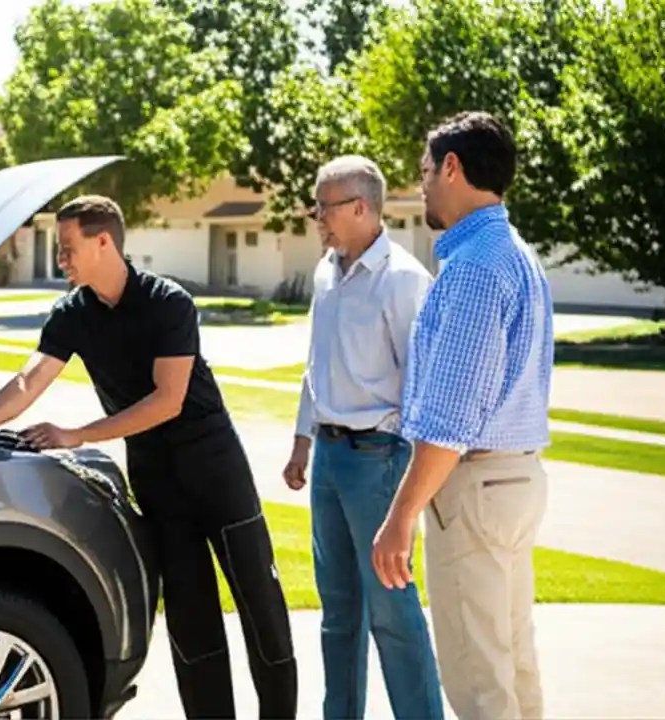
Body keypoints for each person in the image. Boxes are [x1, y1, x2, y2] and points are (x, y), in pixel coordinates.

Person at [0, 195, 299, 719]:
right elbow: (29, 379)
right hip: (157, 479)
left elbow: (167, 400)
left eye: (68, 247)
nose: (61, 259)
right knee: (191, 621)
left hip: (216, 470)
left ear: (104, 241)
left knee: (261, 607)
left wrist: (78, 434)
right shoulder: (72, 313)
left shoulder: (168, 302)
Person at [372, 111, 553, 720]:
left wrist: (400, 516)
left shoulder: (474, 269)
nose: (421, 184)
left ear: (453, 167)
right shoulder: (516, 254)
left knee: (479, 685)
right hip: (517, 480)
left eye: (425, 170)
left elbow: (449, 420)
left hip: (473, 489)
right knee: (511, 667)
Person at [283, 155, 444, 719]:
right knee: (338, 612)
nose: (316, 219)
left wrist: (396, 456)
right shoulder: (328, 270)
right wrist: (304, 440)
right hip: (327, 458)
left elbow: (421, 383)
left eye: (323, 208)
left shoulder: (403, 280)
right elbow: (316, 362)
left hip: (378, 459)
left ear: (360, 207)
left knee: (392, 613)